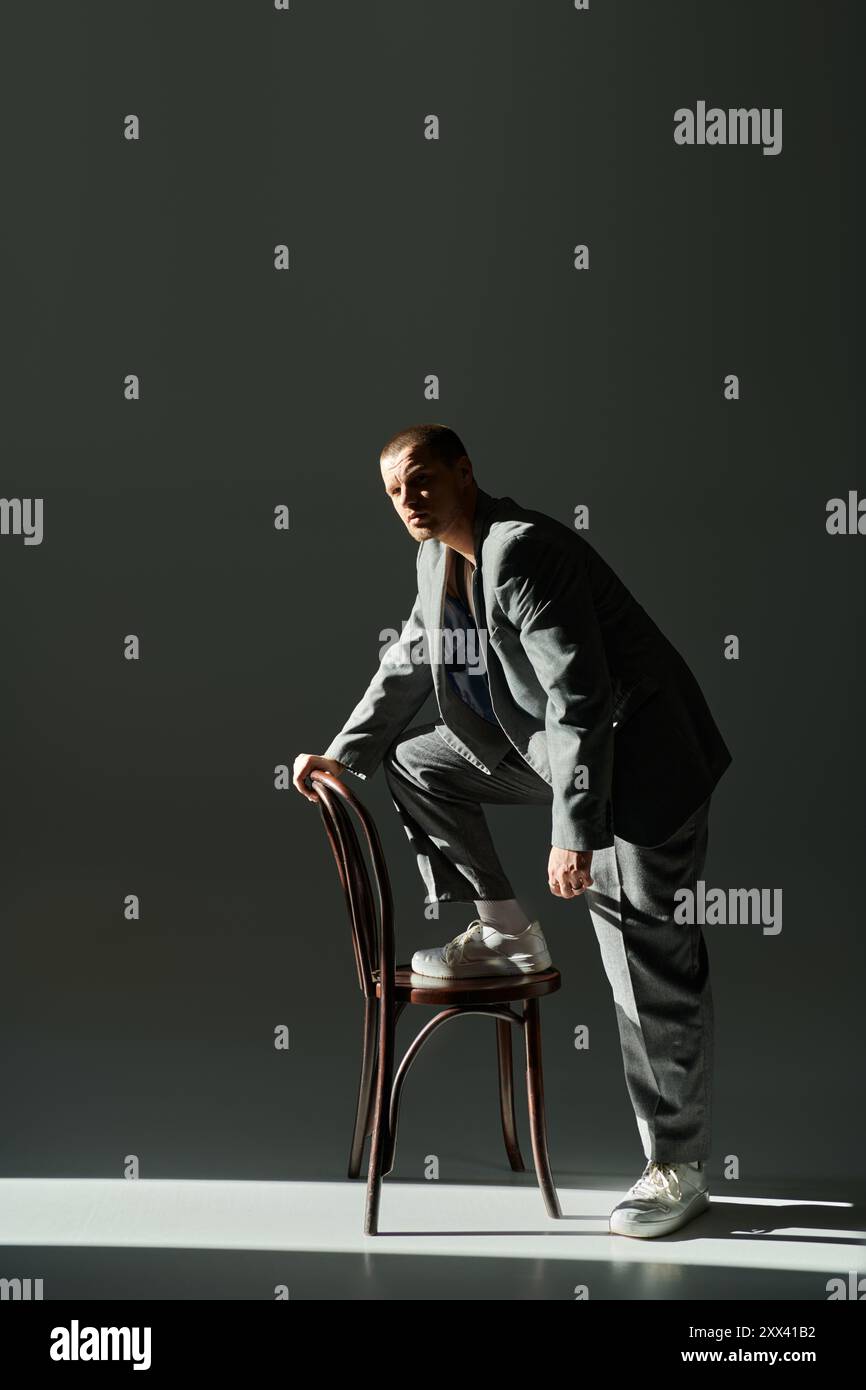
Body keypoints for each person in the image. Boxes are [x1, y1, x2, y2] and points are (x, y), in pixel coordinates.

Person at [293, 423, 732, 1238]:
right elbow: (412, 657)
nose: (409, 501)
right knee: (419, 763)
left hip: (639, 761)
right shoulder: (436, 560)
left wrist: (576, 832)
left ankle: (678, 1166)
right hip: (554, 751)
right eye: (394, 492)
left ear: (465, 472)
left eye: (422, 480)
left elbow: (579, 697)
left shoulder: (524, 550)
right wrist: (344, 752)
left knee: (647, 969)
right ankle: (507, 931)